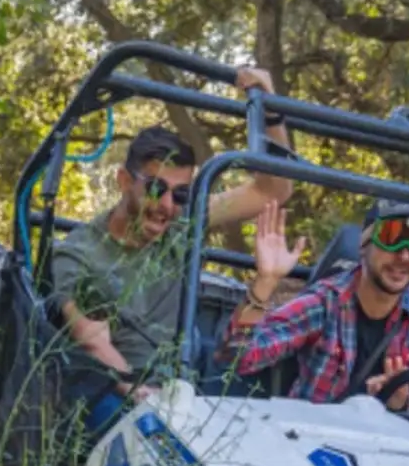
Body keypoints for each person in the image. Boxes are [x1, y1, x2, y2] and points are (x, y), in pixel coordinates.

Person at [50, 66, 294, 429]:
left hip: (179, 392)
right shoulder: (79, 253)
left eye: (180, 194)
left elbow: (273, 190)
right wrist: (149, 403)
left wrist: (270, 110)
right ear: (123, 180)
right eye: (154, 188)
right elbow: (94, 343)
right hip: (111, 391)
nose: (166, 205)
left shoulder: (181, 225)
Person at [216, 198, 409, 412]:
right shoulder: (326, 303)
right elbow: (236, 360)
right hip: (308, 441)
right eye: (392, 238)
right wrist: (265, 282)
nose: (405, 255)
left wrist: (405, 402)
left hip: (392, 451)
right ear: (365, 245)